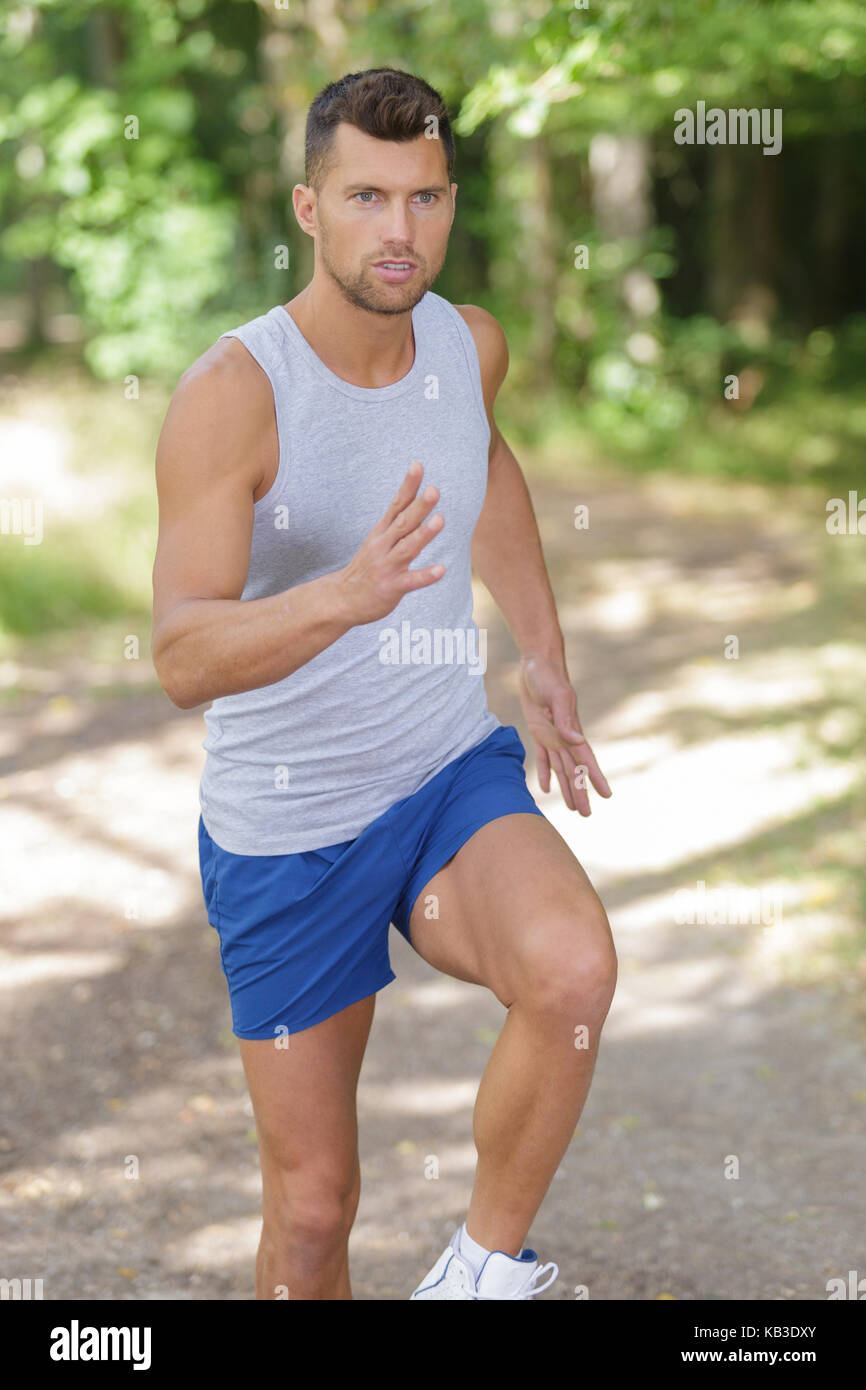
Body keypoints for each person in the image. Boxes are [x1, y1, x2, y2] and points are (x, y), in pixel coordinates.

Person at [151, 66, 616, 1301]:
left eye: (423, 199)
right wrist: (334, 598)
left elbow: (489, 466)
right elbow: (179, 654)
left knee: (570, 967)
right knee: (311, 1215)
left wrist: (543, 652)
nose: (398, 231)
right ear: (308, 209)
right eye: (366, 196)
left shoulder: (467, 347)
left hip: (438, 777)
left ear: (450, 203)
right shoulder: (233, 394)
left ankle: (476, 1276)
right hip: (288, 830)